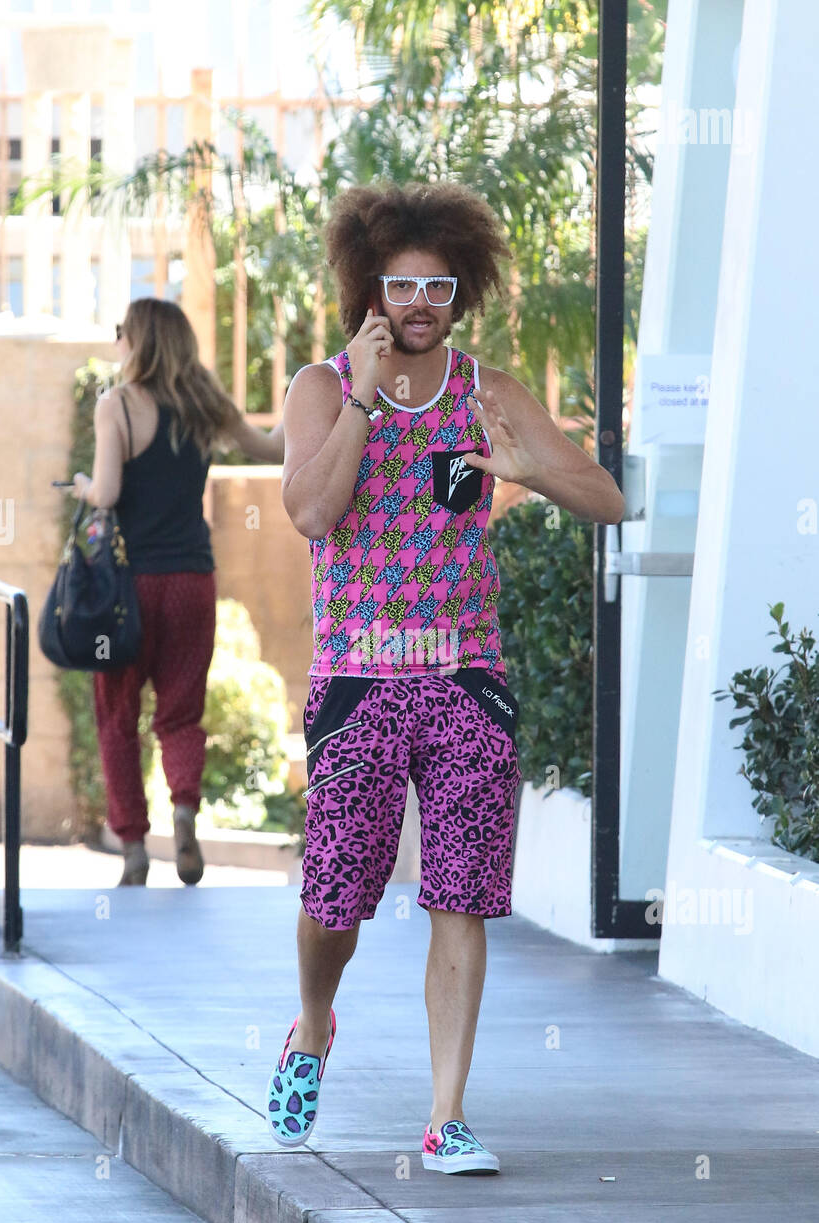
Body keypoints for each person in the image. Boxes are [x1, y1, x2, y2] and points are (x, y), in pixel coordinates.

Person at [268, 181, 624, 1173]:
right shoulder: (320, 387)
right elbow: (311, 512)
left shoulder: (487, 391)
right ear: (368, 289)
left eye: (437, 287)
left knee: (460, 894)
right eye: (401, 286)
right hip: (357, 682)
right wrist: (364, 398)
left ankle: (446, 1116)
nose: (419, 303)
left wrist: (528, 467)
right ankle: (312, 1023)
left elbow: (606, 498)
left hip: (467, 679)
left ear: (460, 292)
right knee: (334, 898)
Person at [71, 297, 284, 887]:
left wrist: (84, 485)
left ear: (137, 339)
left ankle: (134, 849)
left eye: (122, 330)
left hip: (127, 589)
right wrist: (305, 395)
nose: (117, 340)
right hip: (192, 580)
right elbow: (273, 448)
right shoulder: (204, 403)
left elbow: (107, 493)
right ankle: (184, 813)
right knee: (181, 712)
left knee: (117, 715)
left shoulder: (117, 404)